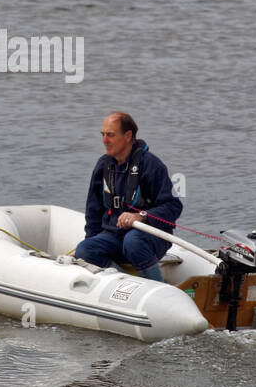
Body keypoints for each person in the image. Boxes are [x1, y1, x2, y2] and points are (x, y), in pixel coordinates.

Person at [74, 112, 182, 282]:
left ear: (128, 136)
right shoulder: (103, 166)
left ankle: (157, 286)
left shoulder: (151, 165)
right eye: (103, 135)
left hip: (149, 238)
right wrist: (92, 244)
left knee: (132, 242)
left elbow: (173, 207)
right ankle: (124, 284)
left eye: (110, 135)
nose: (105, 140)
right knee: (85, 250)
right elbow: (93, 211)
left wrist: (140, 217)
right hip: (114, 236)